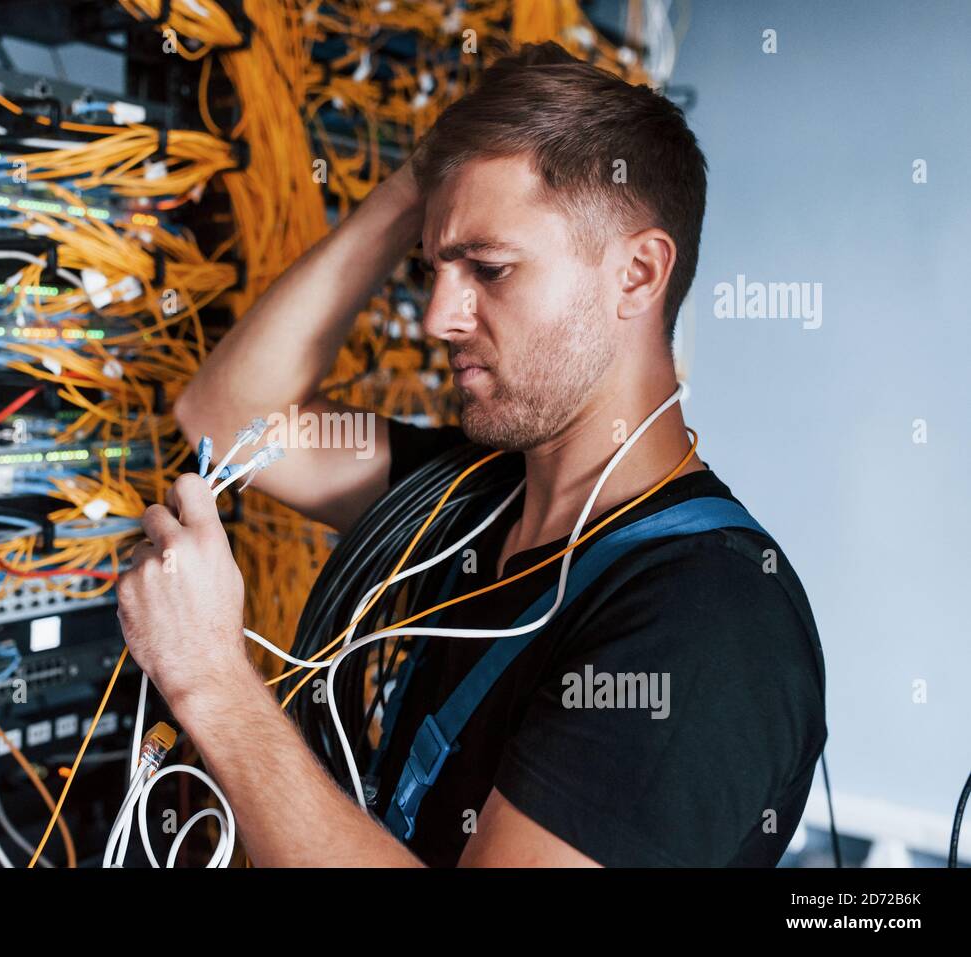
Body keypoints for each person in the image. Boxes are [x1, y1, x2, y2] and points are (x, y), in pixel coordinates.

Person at [114, 42, 827, 867]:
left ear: (636, 274)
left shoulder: (707, 625)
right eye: (434, 270)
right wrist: (425, 177)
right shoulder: (469, 494)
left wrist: (209, 677)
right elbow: (227, 417)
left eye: (488, 268)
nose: (437, 318)